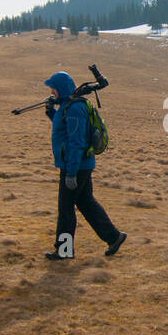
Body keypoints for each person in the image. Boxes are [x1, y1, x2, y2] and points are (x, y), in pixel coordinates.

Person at [43, 70, 126, 260]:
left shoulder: (74, 108)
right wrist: (51, 112)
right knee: (86, 203)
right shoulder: (68, 106)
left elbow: (76, 141)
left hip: (76, 166)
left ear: (62, 88)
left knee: (66, 208)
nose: (51, 91)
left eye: (53, 88)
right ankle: (114, 237)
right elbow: (64, 129)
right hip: (80, 164)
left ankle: (64, 251)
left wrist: (71, 172)